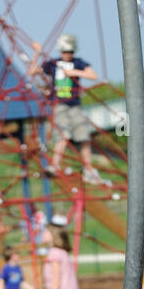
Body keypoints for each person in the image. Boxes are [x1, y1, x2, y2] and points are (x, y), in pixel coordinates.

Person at [28, 34, 103, 183]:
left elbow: (93, 75)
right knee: (62, 136)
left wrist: (74, 72)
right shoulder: (53, 63)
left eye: (70, 52)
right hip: (59, 104)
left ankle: (88, 169)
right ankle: (55, 165)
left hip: (74, 104)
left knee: (84, 136)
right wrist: (37, 52)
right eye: (64, 52)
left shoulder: (78, 63)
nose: (67, 55)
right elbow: (32, 71)